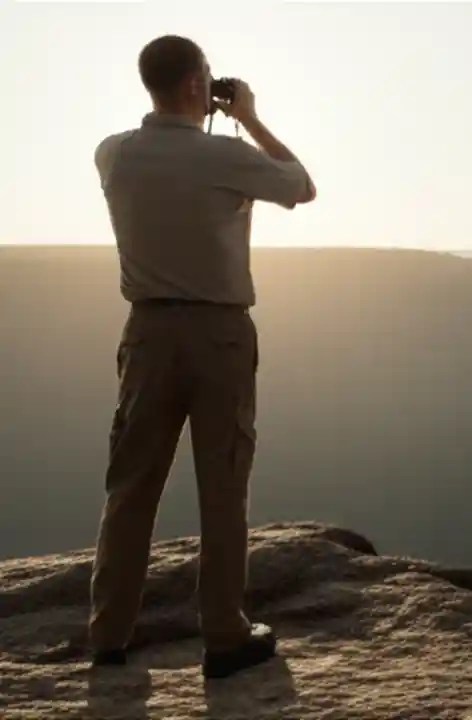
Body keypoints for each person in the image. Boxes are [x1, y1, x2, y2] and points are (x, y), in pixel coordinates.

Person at [88, 34, 316, 680]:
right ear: (196, 87)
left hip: (147, 336)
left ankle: (108, 635)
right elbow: (302, 185)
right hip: (219, 337)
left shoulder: (113, 156)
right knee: (223, 486)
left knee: (130, 487)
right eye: (209, 78)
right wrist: (247, 118)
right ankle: (223, 634)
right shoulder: (223, 155)